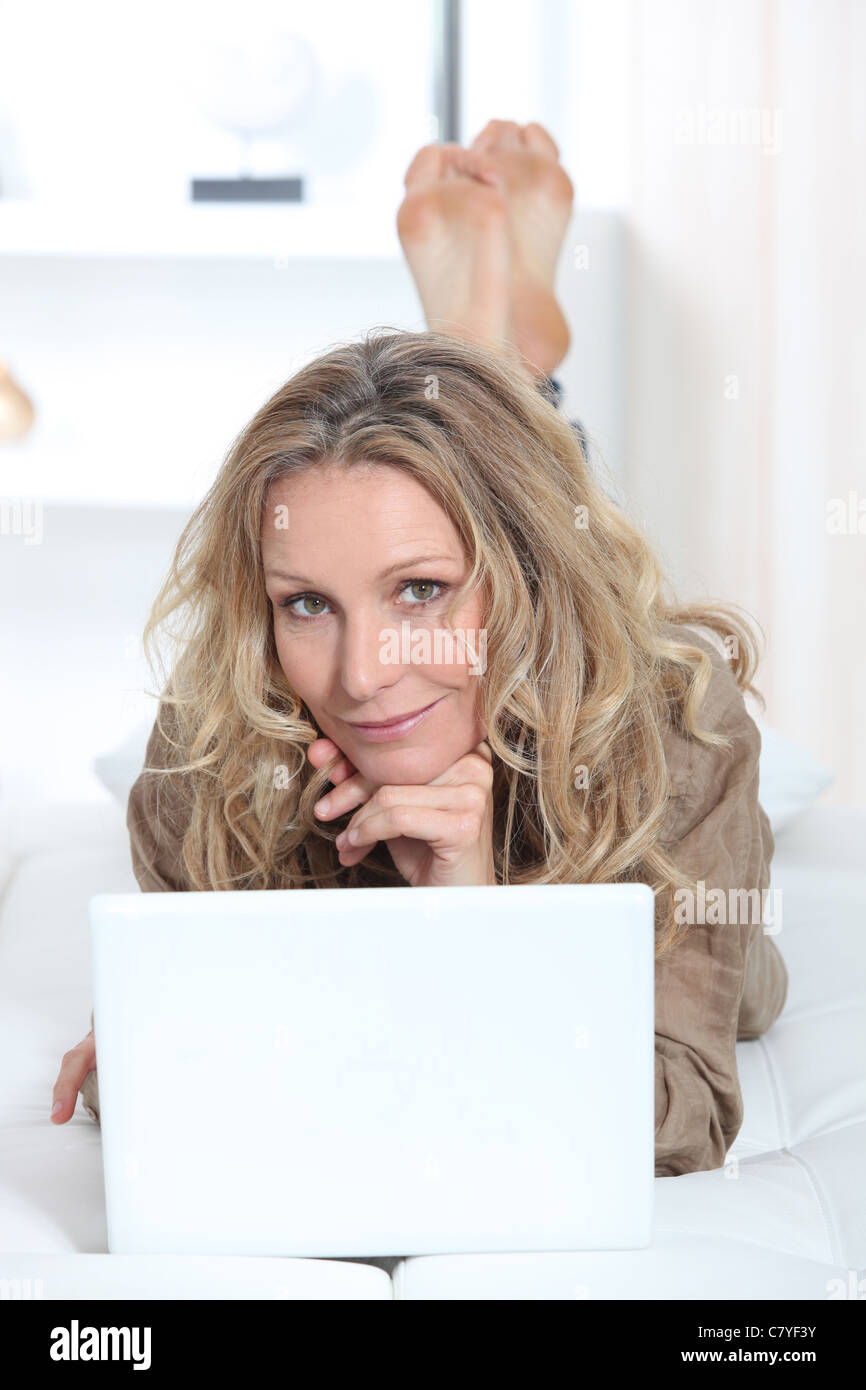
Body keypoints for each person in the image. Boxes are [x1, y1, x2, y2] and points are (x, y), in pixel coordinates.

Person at [51, 120, 787, 1189]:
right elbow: (184, 1031)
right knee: (466, 483)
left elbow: (676, 1111)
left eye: (421, 592)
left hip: (590, 723)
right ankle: (493, 359)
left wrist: (474, 909)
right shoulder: (213, 730)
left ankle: (499, 361)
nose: (360, 676)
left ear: (516, 591)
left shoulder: (677, 728)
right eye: (306, 603)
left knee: (750, 981)